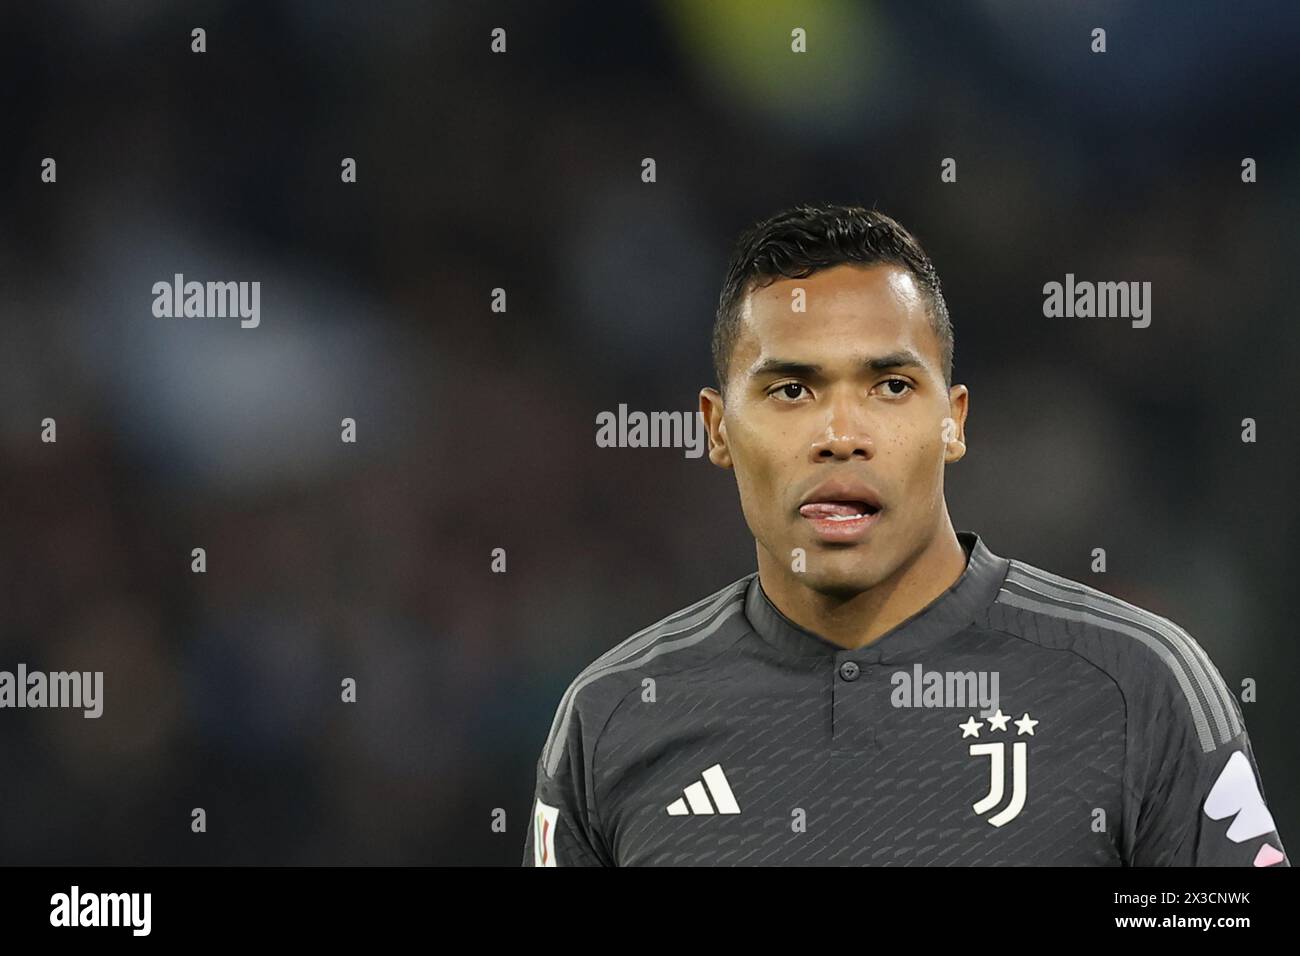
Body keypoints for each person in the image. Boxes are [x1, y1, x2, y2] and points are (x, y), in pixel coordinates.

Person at [523, 202, 1288, 866]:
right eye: (792, 389)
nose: (840, 435)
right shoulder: (616, 716)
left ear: (952, 421)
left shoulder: (1137, 684)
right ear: (718, 430)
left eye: (890, 386)